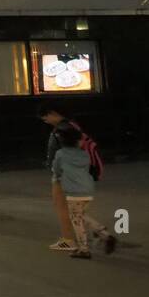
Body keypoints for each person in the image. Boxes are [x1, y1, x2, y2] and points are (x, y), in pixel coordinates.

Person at [39, 104, 100, 251]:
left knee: (64, 208)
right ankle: (97, 232)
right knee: (77, 211)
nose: (45, 120)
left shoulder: (62, 130)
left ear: (53, 113)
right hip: (80, 179)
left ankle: (71, 240)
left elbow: (59, 158)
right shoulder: (73, 126)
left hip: (64, 176)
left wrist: (56, 170)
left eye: (45, 117)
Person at [51, 125, 116, 260]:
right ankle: (103, 233)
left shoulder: (60, 154)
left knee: (76, 220)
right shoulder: (84, 154)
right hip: (88, 189)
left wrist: (59, 178)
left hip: (74, 191)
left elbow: (56, 170)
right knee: (80, 215)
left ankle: (84, 249)